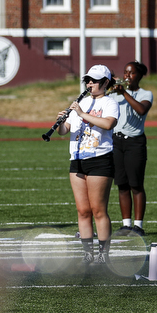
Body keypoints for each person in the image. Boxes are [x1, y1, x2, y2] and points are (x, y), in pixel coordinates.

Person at [56, 65, 119, 265]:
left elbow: (108, 124)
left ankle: (103, 255)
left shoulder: (110, 102)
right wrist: (60, 122)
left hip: (100, 159)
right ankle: (87, 254)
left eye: (94, 80)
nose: (89, 84)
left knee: (98, 210)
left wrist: (82, 113)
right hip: (77, 159)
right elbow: (65, 131)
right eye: (88, 80)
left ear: (106, 83)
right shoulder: (80, 102)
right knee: (83, 211)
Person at [108, 61, 153, 236]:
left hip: (135, 142)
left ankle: (138, 225)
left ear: (139, 76)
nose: (127, 76)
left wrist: (124, 92)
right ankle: (126, 224)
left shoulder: (145, 94)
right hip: (117, 142)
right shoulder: (114, 94)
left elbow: (141, 109)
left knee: (136, 184)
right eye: (125, 73)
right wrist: (109, 84)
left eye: (131, 73)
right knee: (122, 184)